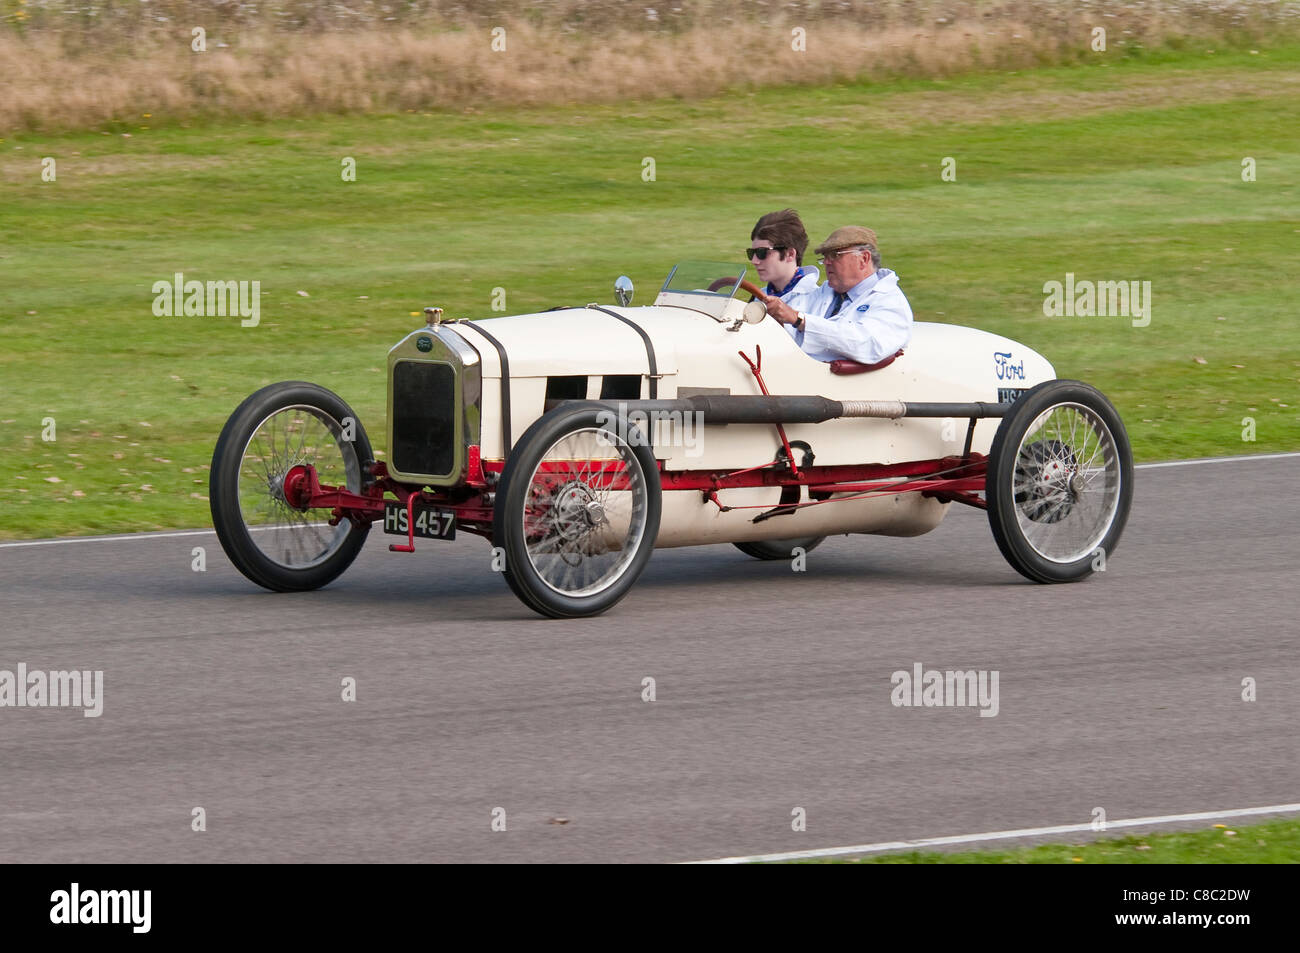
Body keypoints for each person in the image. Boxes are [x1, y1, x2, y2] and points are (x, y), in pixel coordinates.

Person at [764, 226, 913, 365]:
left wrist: (799, 319)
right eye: (825, 257)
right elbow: (789, 317)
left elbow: (867, 344)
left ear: (864, 259)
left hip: (849, 388)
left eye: (835, 255)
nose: (827, 262)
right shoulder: (824, 292)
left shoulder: (889, 301)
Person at [748, 209, 820, 301]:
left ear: (790, 254)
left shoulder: (816, 301)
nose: (754, 261)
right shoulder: (757, 298)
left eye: (762, 252)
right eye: (751, 253)